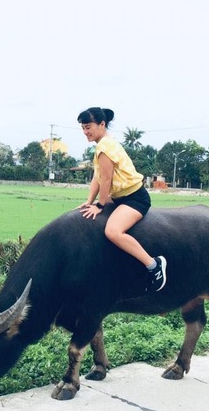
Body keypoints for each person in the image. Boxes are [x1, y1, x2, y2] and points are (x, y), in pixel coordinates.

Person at [77, 107, 167, 293]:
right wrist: (89, 201)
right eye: (83, 128)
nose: (85, 132)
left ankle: (153, 265)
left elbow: (107, 180)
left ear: (102, 124)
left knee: (113, 231)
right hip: (120, 196)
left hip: (135, 198)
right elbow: (97, 177)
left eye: (88, 127)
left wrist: (100, 205)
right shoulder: (103, 144)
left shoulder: (105, 147)